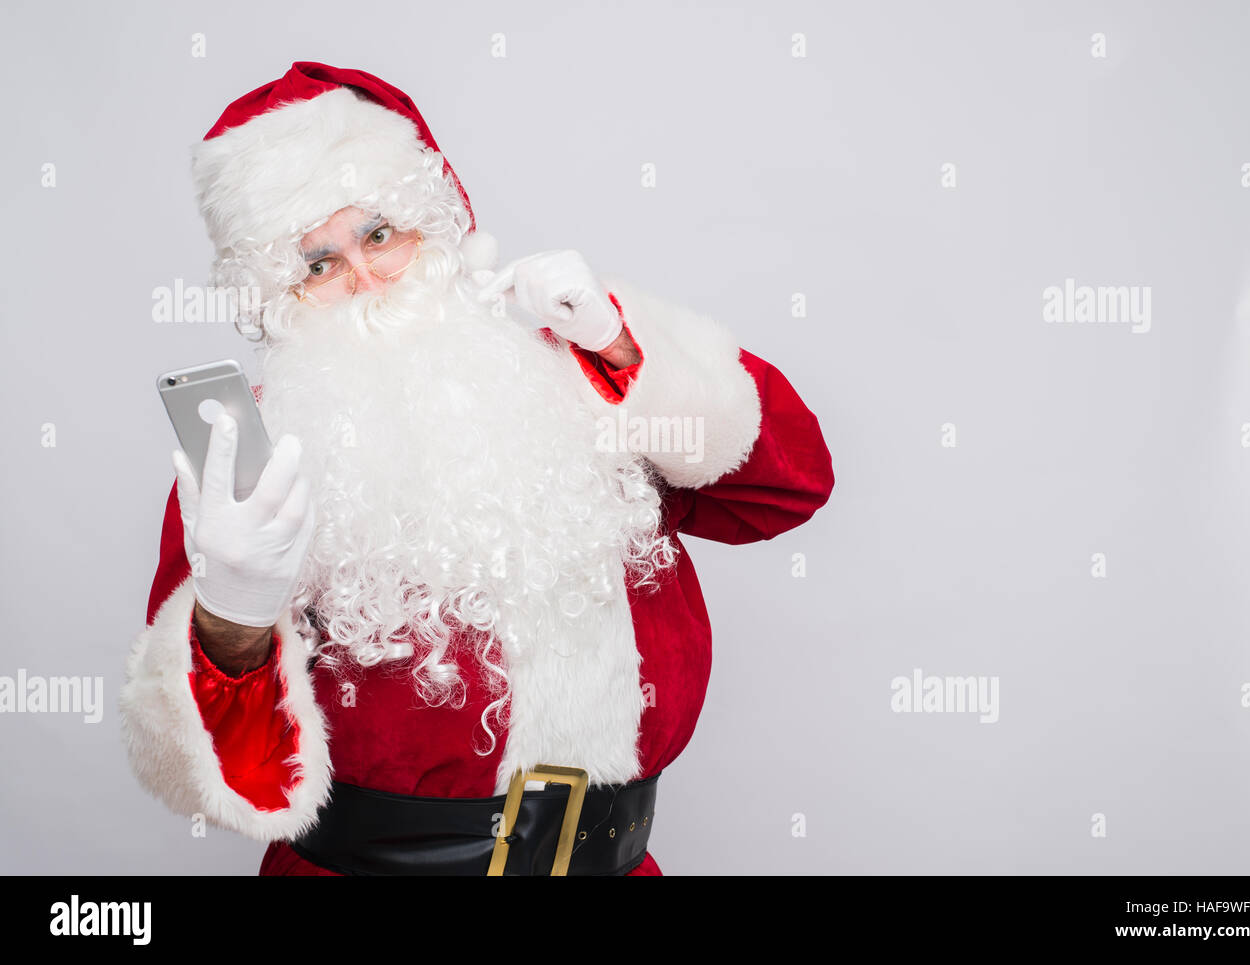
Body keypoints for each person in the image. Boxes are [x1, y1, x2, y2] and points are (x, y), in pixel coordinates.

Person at [120, 61, 835, 876]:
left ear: (438, 225)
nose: (363, 281)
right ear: (278, 296)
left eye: (381, 234)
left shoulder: (580, 374)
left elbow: (789, 486)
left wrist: (622, 343)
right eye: (317, 265)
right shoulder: (254, 460)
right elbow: (206, 774)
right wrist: (231, 613)